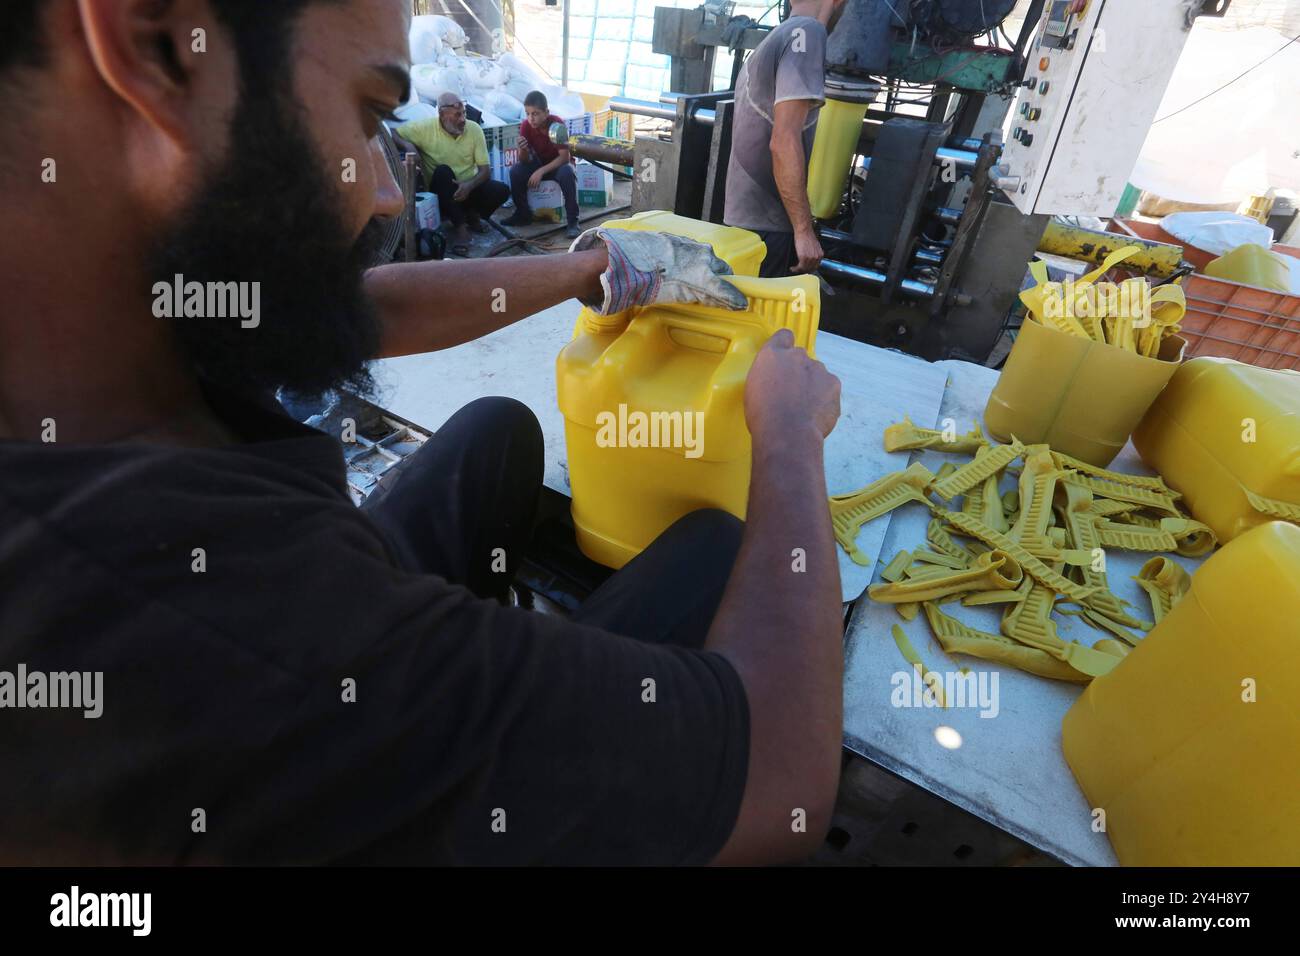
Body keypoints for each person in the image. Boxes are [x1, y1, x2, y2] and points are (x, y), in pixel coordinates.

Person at [0, 0, 844, 866]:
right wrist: (786, 439)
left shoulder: (92, 310)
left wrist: (594, 269)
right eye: (369, 113)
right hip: (319, 700)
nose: (386, 188)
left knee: (495, 429)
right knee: (714, 543)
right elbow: (778, 787)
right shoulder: (214, 613)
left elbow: (360, 310)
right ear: (154, 44)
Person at [724, 0, 847, 277]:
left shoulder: (778, 35)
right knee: (768, 317)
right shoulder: (808, 32)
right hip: (768, 226)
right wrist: (804, 231)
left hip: (747, 220)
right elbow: (783, 140)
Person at [393, 91, 509, 256]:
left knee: (501, 190)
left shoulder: (474, 129)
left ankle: (471, 216)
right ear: (442, 115)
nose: (462, 119)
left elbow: (484, 171)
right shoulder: (425, 128)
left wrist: (469, 186)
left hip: (468, 188)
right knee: (443, 172)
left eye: (463, 114)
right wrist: (408, 146)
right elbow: (392, 132)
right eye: (456, 115)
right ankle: (461, 230)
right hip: (442, 194)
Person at [502, 90, 581, 239]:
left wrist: (541, 172)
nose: (531, 118)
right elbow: (524, 161)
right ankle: (523, 214)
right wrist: (522, 149)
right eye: (528, 113)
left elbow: (564, 157)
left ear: (546, 113)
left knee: (567, 172)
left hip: (557, 166)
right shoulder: (526, 126)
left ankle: (573, 221)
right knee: (516, 171)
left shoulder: (557, 125)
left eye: (536, 113)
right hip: (539, 163)